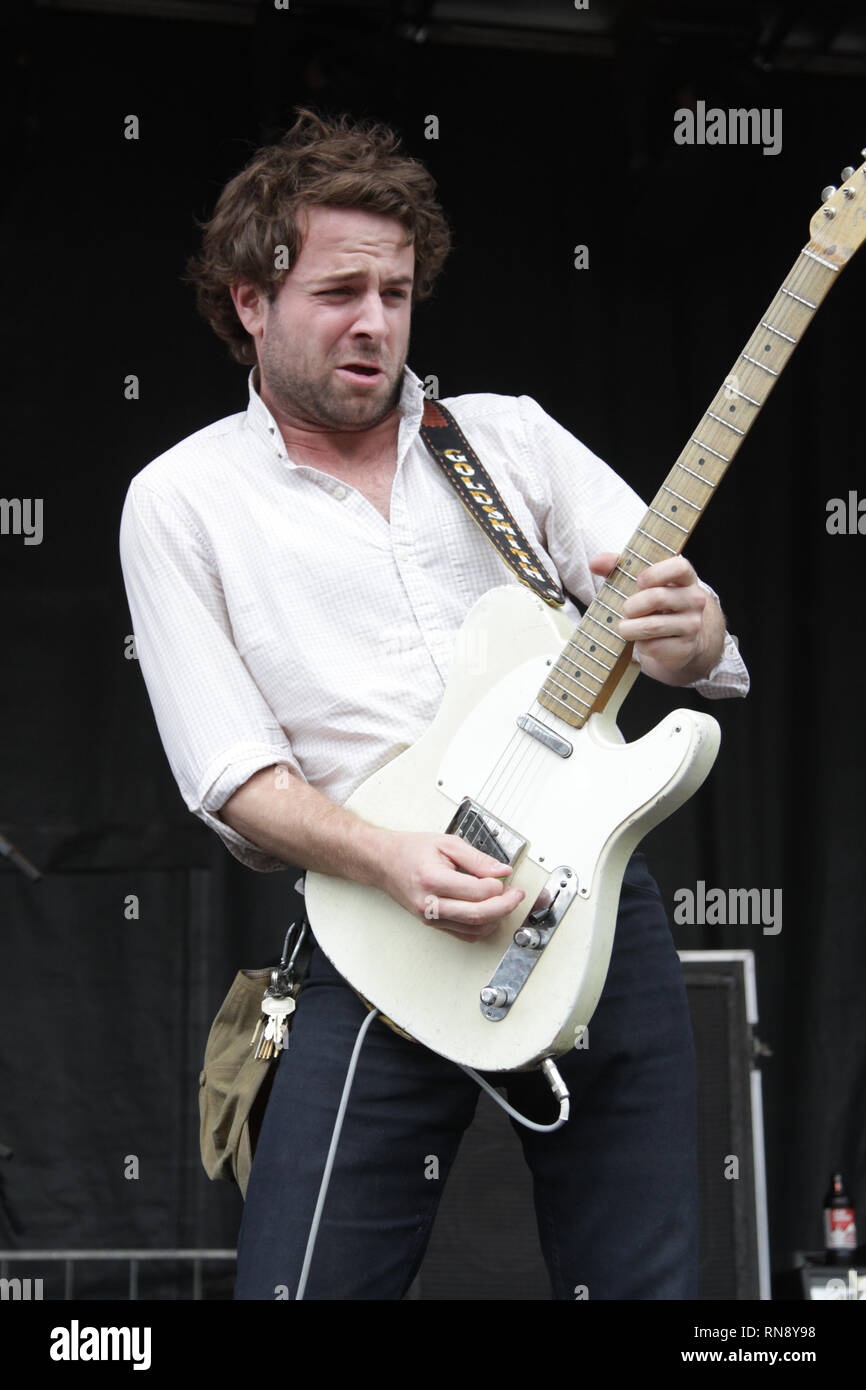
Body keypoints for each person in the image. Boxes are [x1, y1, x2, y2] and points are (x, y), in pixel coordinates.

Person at [119, 108, 749, 1300]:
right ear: (250, 301)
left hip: (588, 901)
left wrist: (693, 627)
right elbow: (228, 774)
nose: (375, 323)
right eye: (339, 290)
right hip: (375, 930)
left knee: (646, 1289)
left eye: (397, 293)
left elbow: (682, 623)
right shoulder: (182, 499)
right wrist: (391, 858)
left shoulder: (505, 439)